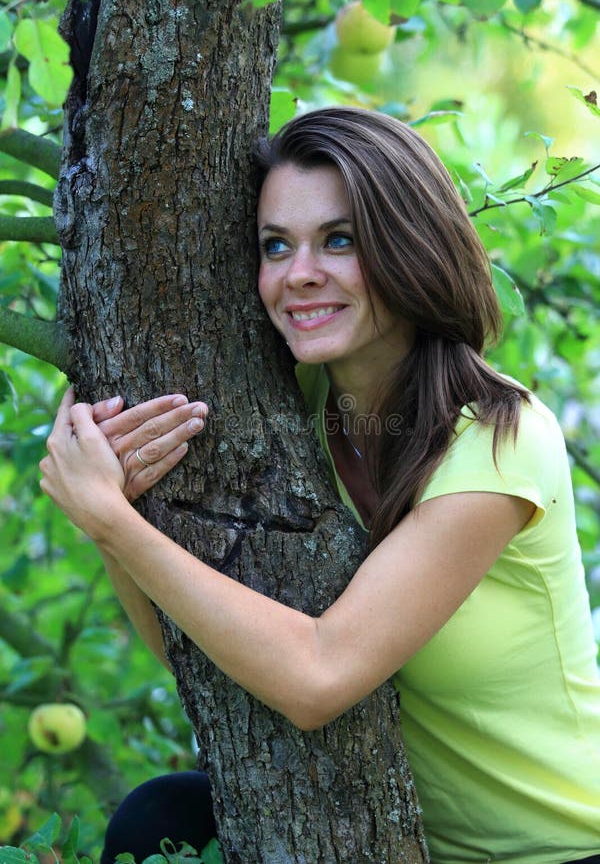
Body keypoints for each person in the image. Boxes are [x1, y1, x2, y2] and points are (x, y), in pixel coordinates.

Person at [40, 108, 600, 864]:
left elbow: (316, 676)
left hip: (560, 851)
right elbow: (201, 661)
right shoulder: (289, 414)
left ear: (410, 241)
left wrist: (111, 521)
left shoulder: (499, 439)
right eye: (276, 246)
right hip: (397, 840)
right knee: (157, 820)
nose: (298, 273)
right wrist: (112, 496)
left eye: (339, 239)